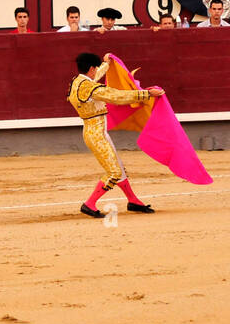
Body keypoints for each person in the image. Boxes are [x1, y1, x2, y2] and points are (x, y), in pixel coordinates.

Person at [68, 51, 163, 219]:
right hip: (97, 135)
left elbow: (94, 77)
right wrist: (146, 94)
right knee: (114, 173)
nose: (96, 71)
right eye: (95, 68)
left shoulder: (79, 81)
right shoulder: (89, 87)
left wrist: (107, 64)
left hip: (95, 132)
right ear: (91, 68)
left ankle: (133, 201)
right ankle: (89, 204)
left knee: (119, 169)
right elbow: (117, 96)